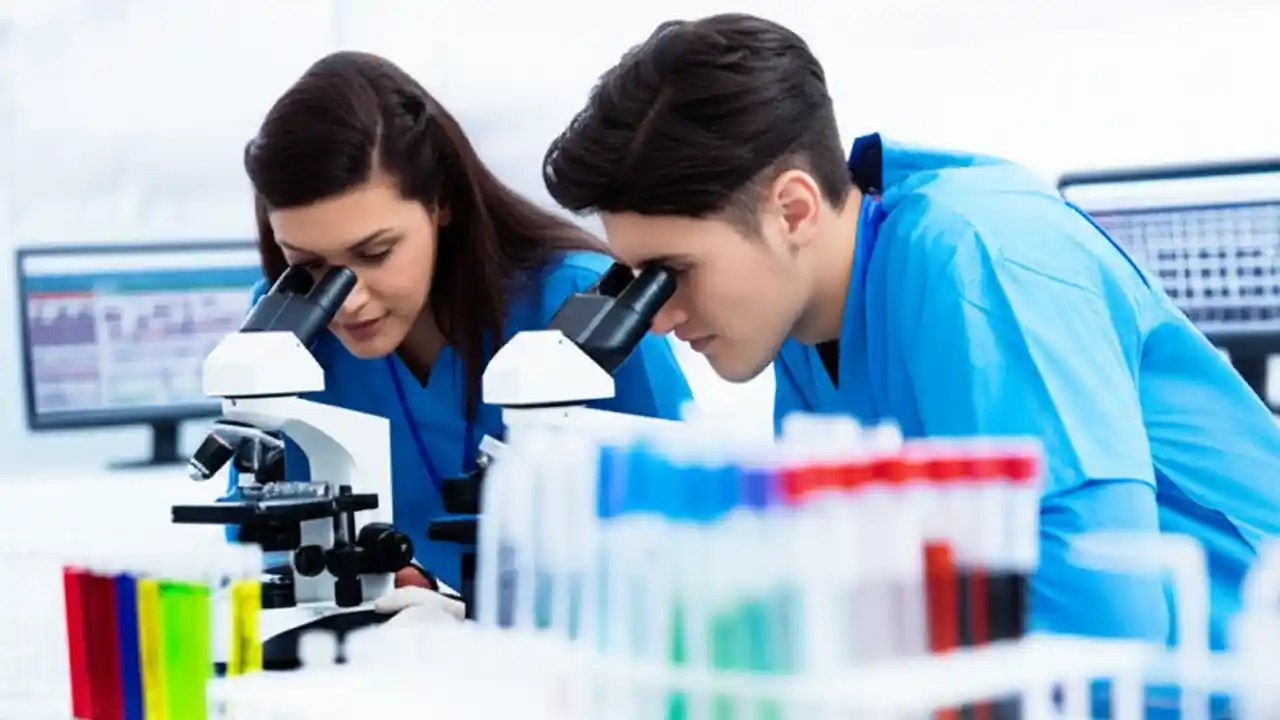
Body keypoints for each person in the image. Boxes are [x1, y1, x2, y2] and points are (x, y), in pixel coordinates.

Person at [539, 12, 1280, 661]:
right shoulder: (803, 327)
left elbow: (1103, 622)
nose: (658, 319)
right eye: (640, 284)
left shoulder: (981, 260)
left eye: (673, 274)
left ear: (793, 210)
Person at [233, 50, 694, 597]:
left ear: (441, 202)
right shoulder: (286, 334)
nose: (346, 301)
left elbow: (686, 526)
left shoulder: (578, 300)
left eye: (376, 252)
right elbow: (253, 537)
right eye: (308, 267)